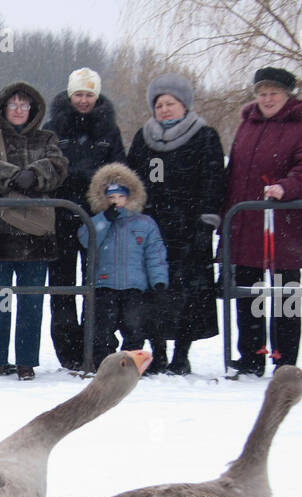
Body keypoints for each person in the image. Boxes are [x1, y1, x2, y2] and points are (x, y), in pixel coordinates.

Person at [223, 67, 302, 378]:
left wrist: (287, 187)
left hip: (282, 220)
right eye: (262, 93)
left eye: (274, 93)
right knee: (249, 292)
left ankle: (284, 358)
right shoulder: (247, 124)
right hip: (247, 220)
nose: (267, 99)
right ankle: (251, 356)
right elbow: (235, 170)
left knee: (284, 293)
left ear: (287, 94)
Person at [126, 73, 225, 375]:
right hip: (152, 229)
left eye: (171, 103)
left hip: (190, 229)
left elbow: (213, 180)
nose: (165, 109)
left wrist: (205, 221)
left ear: (184, 105)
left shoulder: (204, 137)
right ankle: (158, 352)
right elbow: (132, 179)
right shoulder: (144, 140)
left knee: (188, 294)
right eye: (159, 104)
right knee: (153, 293)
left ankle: (182, 352)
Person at [0, 82, 67, 379]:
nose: (19, 109)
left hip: (36, 236)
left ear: (33, 109)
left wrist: (34, 175)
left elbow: (59, 166)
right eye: (14, 104)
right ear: (3, 108)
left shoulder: (48, 138)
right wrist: (14, 177)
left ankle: (26, 362)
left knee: (31, 302)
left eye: (25, 105)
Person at [44, 67, 125, 369]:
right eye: (78, 93)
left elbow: (119, 169)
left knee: (97, 286)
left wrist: (113, 200)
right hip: (62, 218)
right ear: (69, 94)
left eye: (89, 94)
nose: (83, 100)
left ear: (97, 96)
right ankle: (67, 351)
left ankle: (96, 346)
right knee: (62, 287)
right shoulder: (53, 128)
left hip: (98, 221)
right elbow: (46, 169)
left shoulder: (109, 130)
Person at [77, 164, 167, 364]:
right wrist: (104, 220)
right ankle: (104, 363)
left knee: (134, 328)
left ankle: (129, 363)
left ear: (130, 197)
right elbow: (85, 239)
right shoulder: (96, 222)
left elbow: (156, 254)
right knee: (102, 329)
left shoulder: (145, 223)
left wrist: (159, 281)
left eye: (120, 197)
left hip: (134, 286)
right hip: (104, 284)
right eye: (111, 197)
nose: (116, 202)